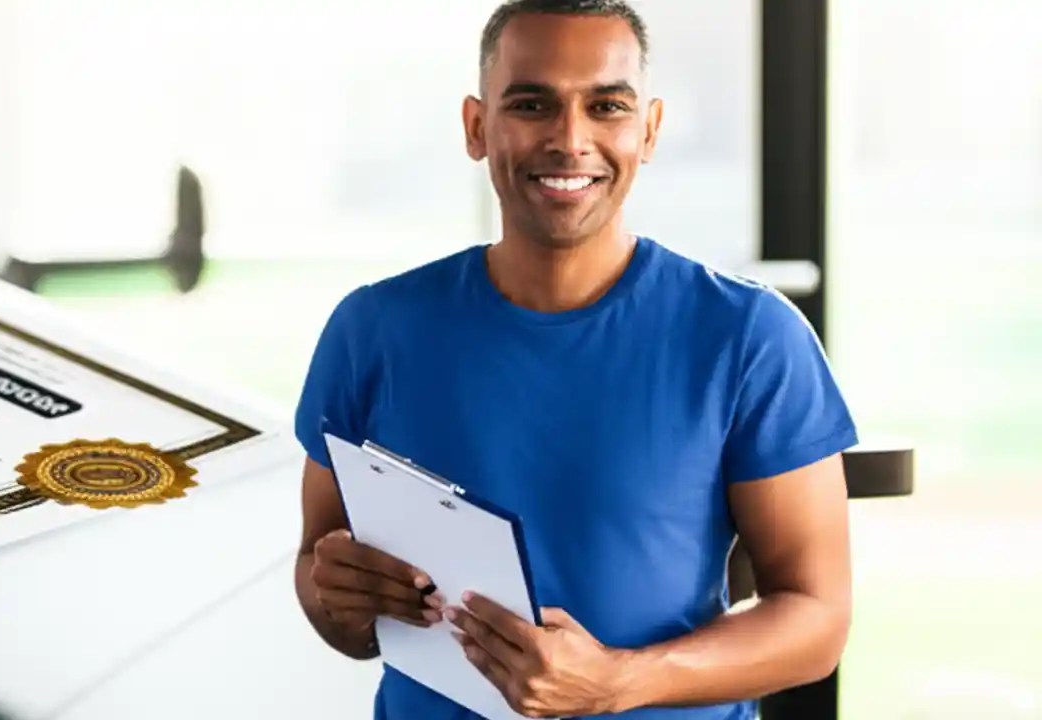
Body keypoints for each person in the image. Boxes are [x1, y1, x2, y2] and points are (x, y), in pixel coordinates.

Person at [292, 1, 856, 717]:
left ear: (648, 130)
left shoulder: (750, 336)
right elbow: (320, 573)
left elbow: (816, 618)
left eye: (606, 106)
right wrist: (335, 599)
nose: (569, 139)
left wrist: (621, 680)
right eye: (531, 104)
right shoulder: (372, 328)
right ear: (476, 126)